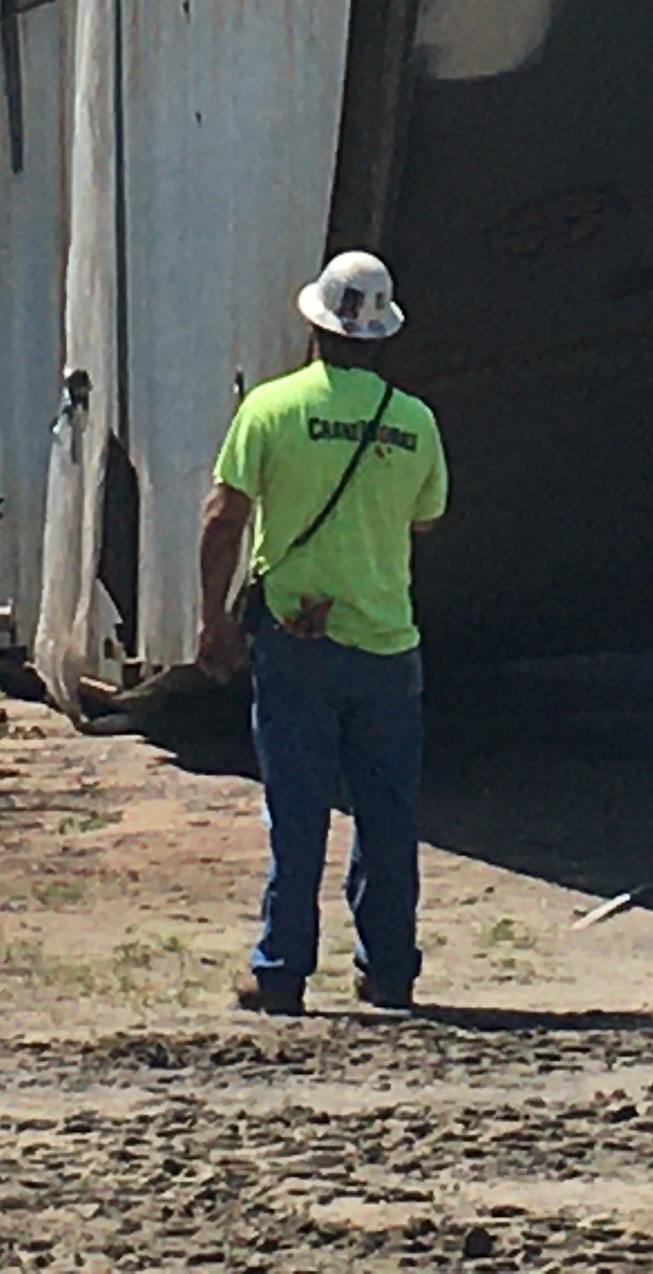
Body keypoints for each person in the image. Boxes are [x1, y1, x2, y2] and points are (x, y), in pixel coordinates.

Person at [196, 251, 450, 1017]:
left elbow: (223, 517)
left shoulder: (270, 409)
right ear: (382, 335)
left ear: (315, 326)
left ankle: (281, 972)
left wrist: (213, 619)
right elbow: (426, 518)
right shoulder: (415, 421)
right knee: (387, 813)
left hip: (296, 638)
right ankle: (391, 972)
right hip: (388, 645)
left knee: (297, 807)